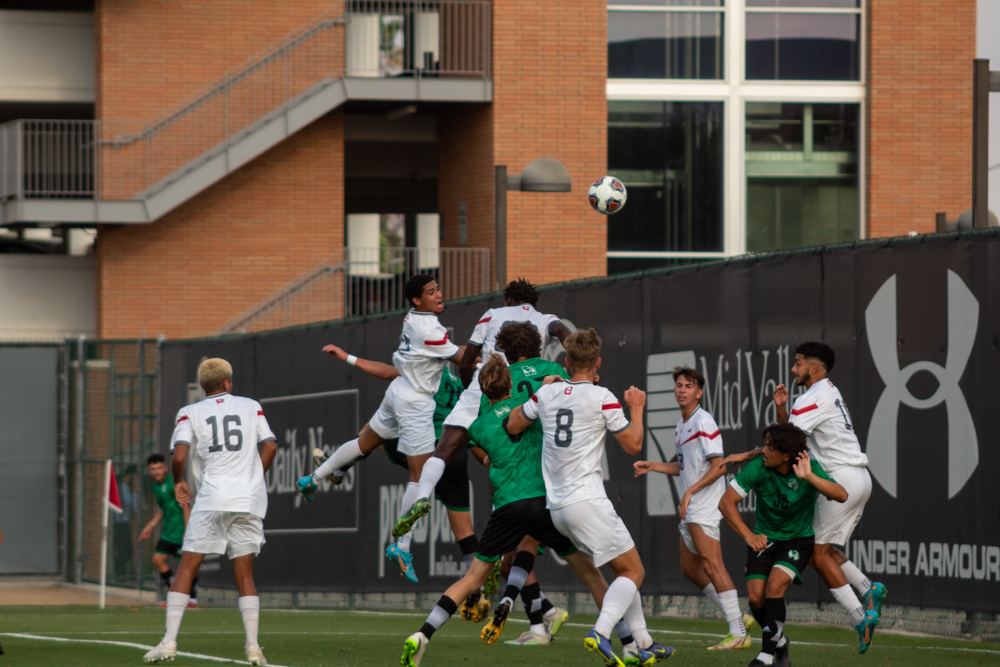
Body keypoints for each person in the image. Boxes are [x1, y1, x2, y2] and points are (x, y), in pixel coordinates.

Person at [400, 354, 639, 666]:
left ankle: (423, 634)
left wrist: (491, 456)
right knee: (592, 575)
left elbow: (482, 455)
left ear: (483, 392)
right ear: (511, 385)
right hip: (543, 504)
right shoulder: (529, 411)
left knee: (472, 579)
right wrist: (551, 383)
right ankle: (629, 644)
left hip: (507, 508)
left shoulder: (478, 426)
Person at [507, 328, 673, 666]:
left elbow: (512, 425)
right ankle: (601, 631)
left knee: (623, 570)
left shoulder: (547, 394)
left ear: (566, 362)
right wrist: (637, 409)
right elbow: (632, 445)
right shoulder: (602, 397)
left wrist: (544, 390)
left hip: (557, 509)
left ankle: (640, 644)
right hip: (588, 501)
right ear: (597, 362)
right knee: (633, 573)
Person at [297, 275, 465, 586]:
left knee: (364, 443)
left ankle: (313, 479)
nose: (439, 294)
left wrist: (346, 356)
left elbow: (400, 367)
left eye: (438, 288)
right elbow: (463, 356)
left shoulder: (414, 318)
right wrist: (498, 353)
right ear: (416, 300)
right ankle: (402, 547)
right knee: (419, 476)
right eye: (431, 292)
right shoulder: (428, 328)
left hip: (398, 391)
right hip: (415, 403)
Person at [724, 341, 883, 653]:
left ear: (813, 367)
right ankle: (868, 587)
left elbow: (782, 445)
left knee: (815, 552)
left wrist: (746, 452)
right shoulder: (829, 391)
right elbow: (789, 438)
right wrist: (782, 408)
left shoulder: (812, 397)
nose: (793, 369)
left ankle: (860, 615)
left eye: (798, 363)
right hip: (860, 475)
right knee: (823, 548)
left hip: (838, 477)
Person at [314, 344, 492, 615]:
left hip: (428, 452)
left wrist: (348, 357)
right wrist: (489, 459)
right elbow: (471, 429)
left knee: (374, 434)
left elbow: (387, 373)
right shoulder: (463, 384)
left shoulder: (423, 375)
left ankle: (339, 469)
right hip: (455, 458)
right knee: (466, 533)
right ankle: (479, 594)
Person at [392, 278, 571, 537]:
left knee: (444, 449)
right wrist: (580, 367)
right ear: (533, 301)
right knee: (503, 461)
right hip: (517, 392)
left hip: (484, 384)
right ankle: (500, 538)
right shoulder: (546, 318)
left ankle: (422, 496)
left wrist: (470, 389)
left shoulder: (492, 314)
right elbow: (565, 333)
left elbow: (466, 362)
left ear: (508, 299)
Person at [142, 358, 278, 666]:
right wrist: (254, 479)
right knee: (245, 575)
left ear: (203, 386)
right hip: (247, 501)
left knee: (186, 568)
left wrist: (178, 481)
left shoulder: (189, 412)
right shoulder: (251, 405)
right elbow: (269, 447)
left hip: (211, 499)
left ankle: (169, 641)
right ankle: (254, 647)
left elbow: (179, 456)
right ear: (228, 382)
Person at [633, 366, 751, 650]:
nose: (682, 389)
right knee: (690, 568)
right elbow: (685, 467)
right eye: (679, 385)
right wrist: (655, 466)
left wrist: (690, 491)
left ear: (699, 393)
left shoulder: (703, 421)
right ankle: (736, 615)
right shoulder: (681, 424)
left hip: (704, 505)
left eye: (688, 386)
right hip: (692, 505)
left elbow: (719, 465)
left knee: (712, 565)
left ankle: (738, 632)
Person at [719, 423, 850, 667]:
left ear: (787, 455)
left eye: (769, 447)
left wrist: (809, 476)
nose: (763, 451)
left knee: (775, 586)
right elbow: (726, 503)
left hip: (797, 541)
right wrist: (748, 535)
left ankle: (766, 656)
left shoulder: (808, 467)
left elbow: (841, 495)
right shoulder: (758, 467)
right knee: (756, 598)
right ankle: (779, 643)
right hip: (763, 539)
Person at [139, 453, 198, 608]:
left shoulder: (173, 483)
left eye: (159, 468)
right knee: (157, 560)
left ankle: (191, 600)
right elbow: (162, 509)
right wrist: (150, 525)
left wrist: (187, 531)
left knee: (186, 566)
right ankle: (174, 594)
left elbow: (186, 505)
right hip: (168, 532)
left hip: (180, 532)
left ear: (165, 467)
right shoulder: (155, 487)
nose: (157, 471)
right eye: (153, 469)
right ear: (149, 470)